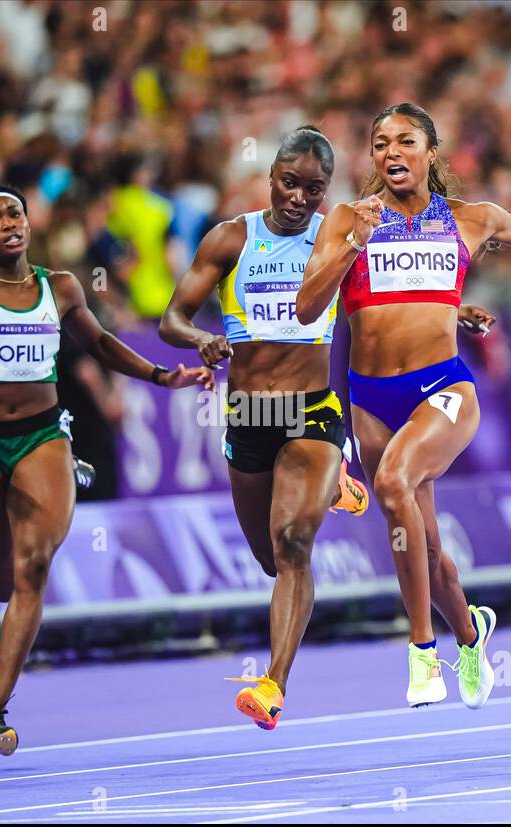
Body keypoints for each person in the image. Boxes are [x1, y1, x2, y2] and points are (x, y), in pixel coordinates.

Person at [297, 103, 511, 710]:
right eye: (378, 144)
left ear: (430, 152)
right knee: (424, 549)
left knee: (394, 481)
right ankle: (470, 634)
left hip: (443, 390)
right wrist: (350, 247)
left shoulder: (470, 219)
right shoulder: (347, 219)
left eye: (404, 141)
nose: (390, 152)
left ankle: (424, 654)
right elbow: (306, 308)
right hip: (369, 398)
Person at [0, 183, 212, 754]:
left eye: (15, 212)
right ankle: (60, 476)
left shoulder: (62, 286)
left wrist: (160, 375)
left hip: (44, 433)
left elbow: (99, 343)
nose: (9, 223)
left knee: (33, 567)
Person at [160, 126, 369, 731]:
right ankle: (334, 487)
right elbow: (172, 316)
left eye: (314, 189)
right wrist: (202, 339)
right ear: (271, 176)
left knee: (294, 546)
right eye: (289, 183)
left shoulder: (335, 236)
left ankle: (273, 684)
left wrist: (453, 311)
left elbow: (388, 301)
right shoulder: (232, 238)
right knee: (270, 561)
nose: (300, 199)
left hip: (311, 410)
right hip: (251, 416)